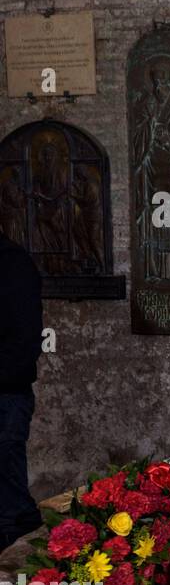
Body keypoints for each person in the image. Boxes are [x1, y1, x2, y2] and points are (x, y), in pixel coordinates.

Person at [0, 233, 42, 548]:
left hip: (5, 398)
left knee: (11, 510)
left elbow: (24, 344)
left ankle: (23, 580)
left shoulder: (12, 263)